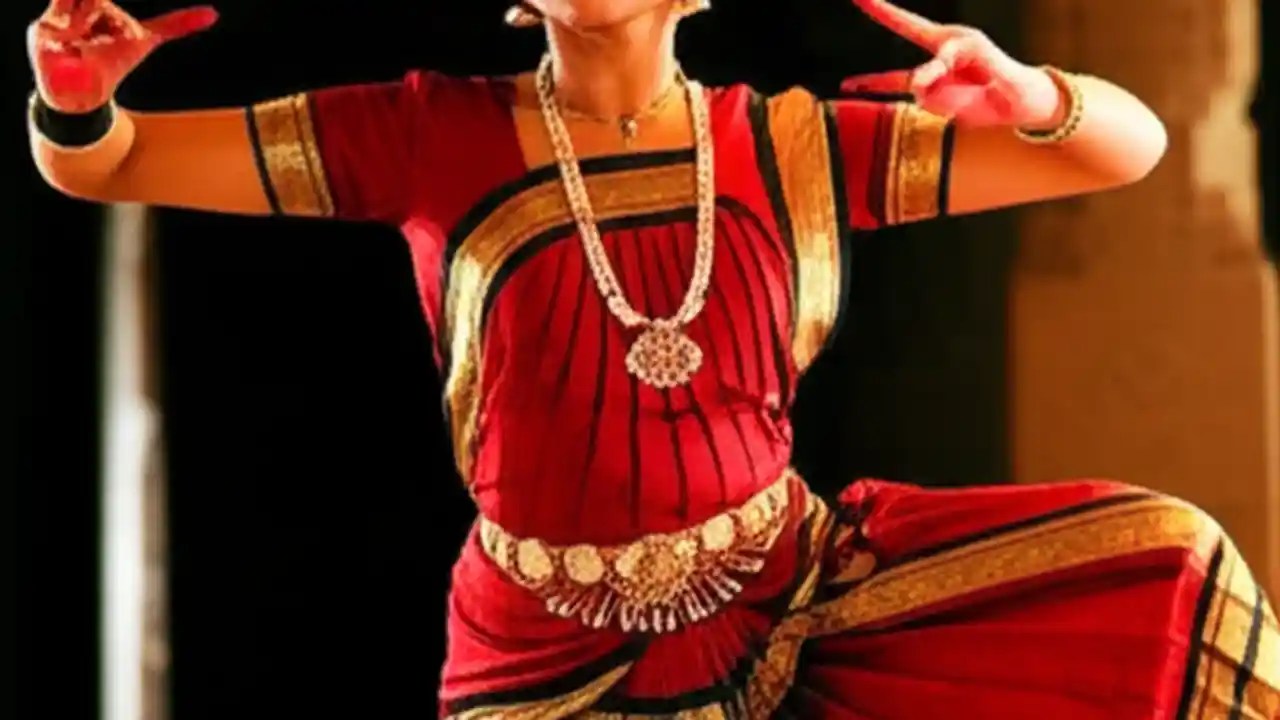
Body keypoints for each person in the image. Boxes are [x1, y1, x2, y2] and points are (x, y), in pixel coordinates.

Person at [27, 0, 1279, 717]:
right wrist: (77, 100)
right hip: (541, 656)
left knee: (1166, 565)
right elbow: (111, 162)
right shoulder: (419, 133)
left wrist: (1034, 101)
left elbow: (1128, 151)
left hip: (793, 602)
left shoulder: (786, 144)